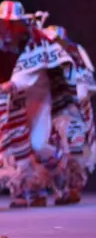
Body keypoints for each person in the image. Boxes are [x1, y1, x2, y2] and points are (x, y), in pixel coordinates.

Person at [0, 1, 74, 207]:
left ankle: (59, 177)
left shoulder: (38, 40)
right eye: (3, 23)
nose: (7, 28)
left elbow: (35, 72)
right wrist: (4, 93)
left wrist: (14, 84)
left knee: (38, 143)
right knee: (11, 143)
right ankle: (28, 189)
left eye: (12, 23)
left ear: (22, 24)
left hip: (37, 96)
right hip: (9, 98)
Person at [41, 24, 95, 204]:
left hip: (74, 108)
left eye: (57, 41)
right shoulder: (43, 55)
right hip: (52, 108)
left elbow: (88, 77)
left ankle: (73, 187)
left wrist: (80, 96)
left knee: (75, 148)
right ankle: (57, 189)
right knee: (50, 149)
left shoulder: (76, 52)